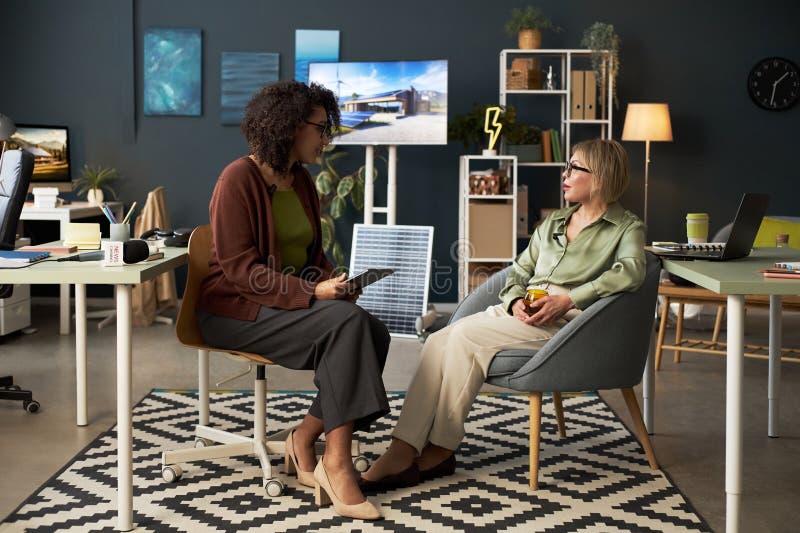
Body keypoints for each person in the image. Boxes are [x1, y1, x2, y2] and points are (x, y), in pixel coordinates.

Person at [361, 138, 646, 489]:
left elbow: (632, 272)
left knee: (465, 339)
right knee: (437, 340)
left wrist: (569, 299)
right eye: (567, 166)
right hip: (521, 311)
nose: (565, 173)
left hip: (570, 326)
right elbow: (518, 272)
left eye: (574, 168)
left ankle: (432, 447)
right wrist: (513, 302)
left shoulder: (626, 228)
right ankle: (407, 446)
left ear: (600, 176)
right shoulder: (555, 222)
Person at [196, 80, 389, 520]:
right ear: (288, 126)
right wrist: (311, 292)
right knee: (346, 325)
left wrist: (333, 282)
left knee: (371, 330)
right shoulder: (236, 180)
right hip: (232, 310)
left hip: (278, 300)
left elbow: (310, 255)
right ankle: (335, 464)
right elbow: (241, 272)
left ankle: (303, 438)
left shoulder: (300, 180)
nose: (326, 138)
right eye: (320, 128)